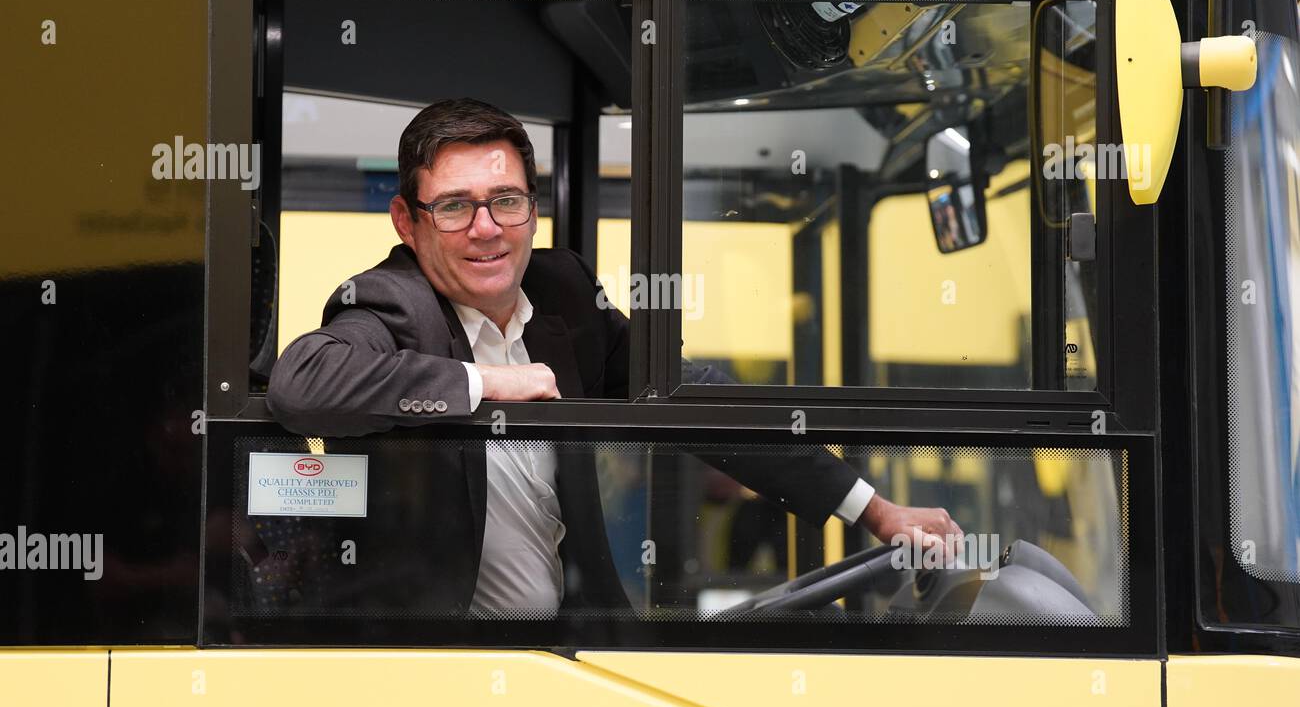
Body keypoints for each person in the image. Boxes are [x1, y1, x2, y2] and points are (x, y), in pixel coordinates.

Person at [267, 98, 963, 614]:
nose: (485, 229)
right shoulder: (391, 302)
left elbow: (689, 401)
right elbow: (303, 384)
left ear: (531, 210)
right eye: (453, 207)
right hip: (429, 673)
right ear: (406, 221)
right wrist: (486, 381)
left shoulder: (563, 292)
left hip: (571, 654)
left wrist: (874, 512)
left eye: (504, 201)